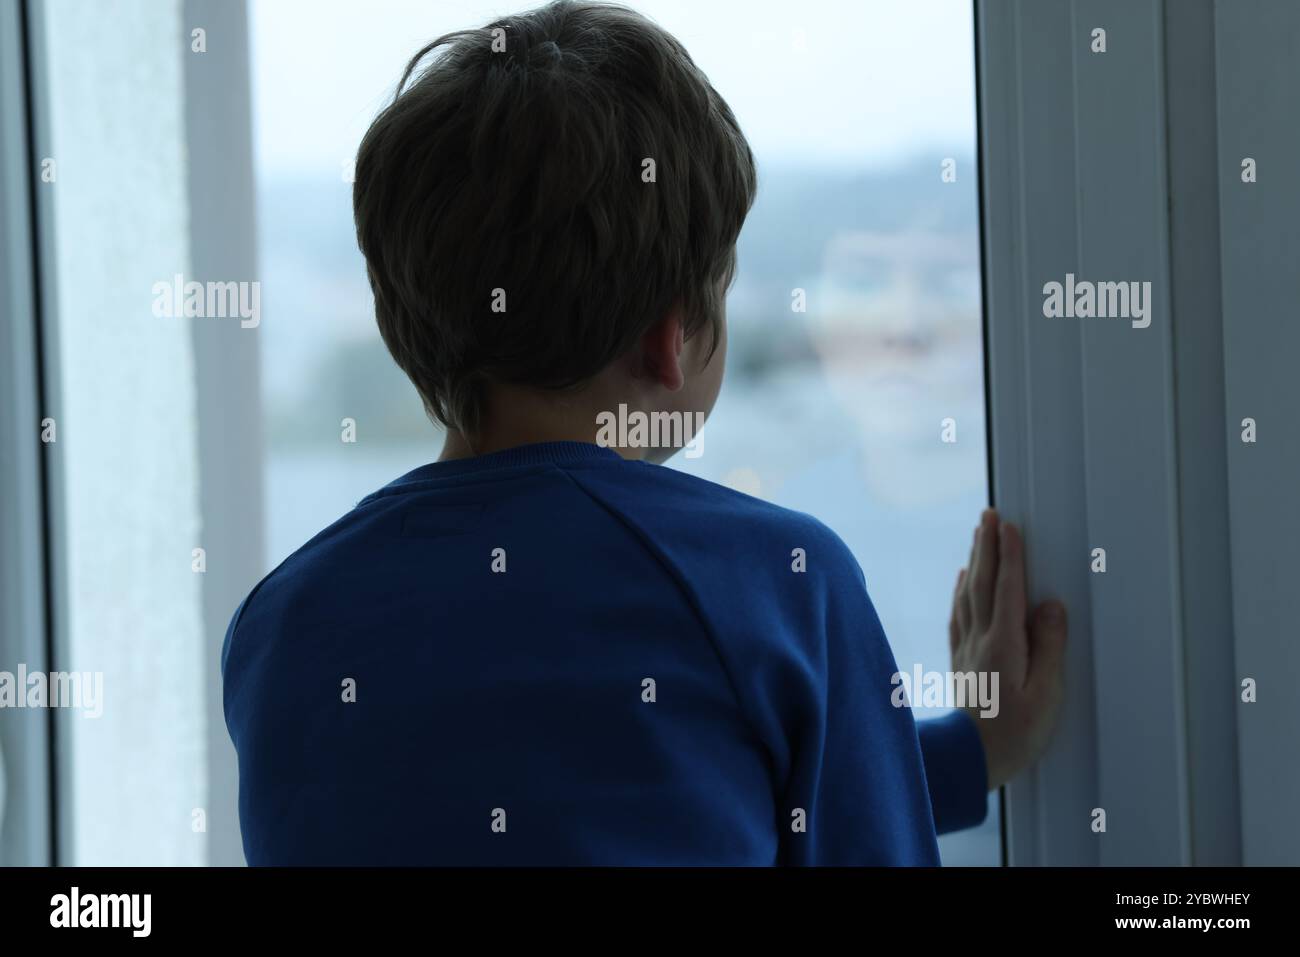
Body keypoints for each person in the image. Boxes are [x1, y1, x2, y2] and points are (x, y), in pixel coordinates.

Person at [222, 0, 1066, 865]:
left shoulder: (287, 622)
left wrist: (966, 756)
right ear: (671, 338)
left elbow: (568, 794)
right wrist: (975, 743)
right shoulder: (777, 584)